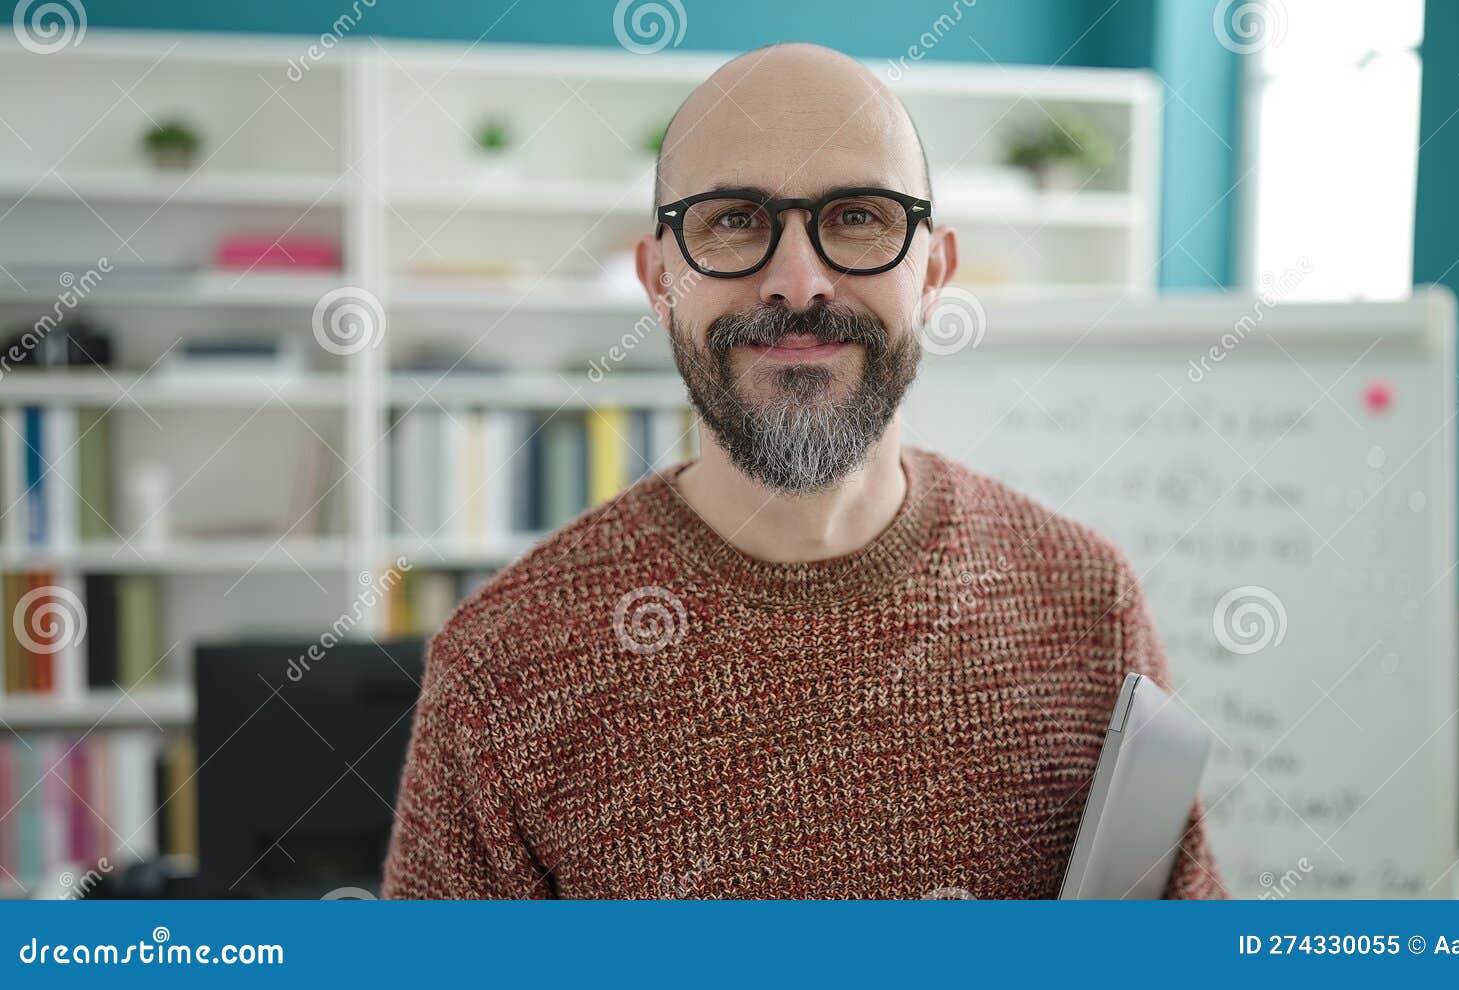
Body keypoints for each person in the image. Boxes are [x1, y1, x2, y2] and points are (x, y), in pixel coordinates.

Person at [381, 42, 1227, 899]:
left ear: (932, 273)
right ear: (658, 281)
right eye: (735, 219)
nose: (798, 281)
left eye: (858, 215)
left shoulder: (1088, 604)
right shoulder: (499, 670)